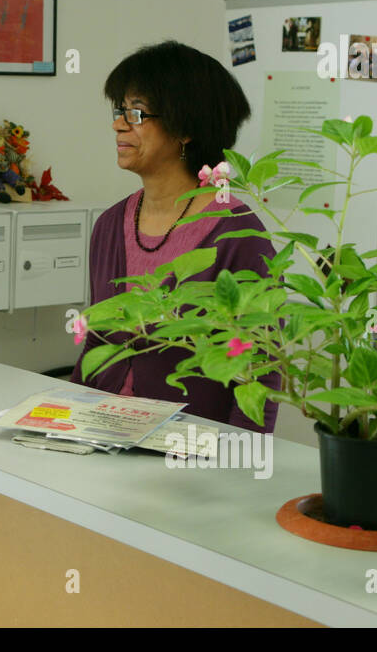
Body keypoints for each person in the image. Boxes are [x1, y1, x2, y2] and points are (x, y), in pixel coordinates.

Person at [70, 40, 280, 433]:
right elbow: (98, 344)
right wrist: (68, 425)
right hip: (105, 438)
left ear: (184, 128)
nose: (118, 124)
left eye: (136, 113)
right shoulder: (111, 225)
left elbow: (260, 371)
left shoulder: (239, 235)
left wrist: (239, 464)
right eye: (119, 110)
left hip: (191, 453)